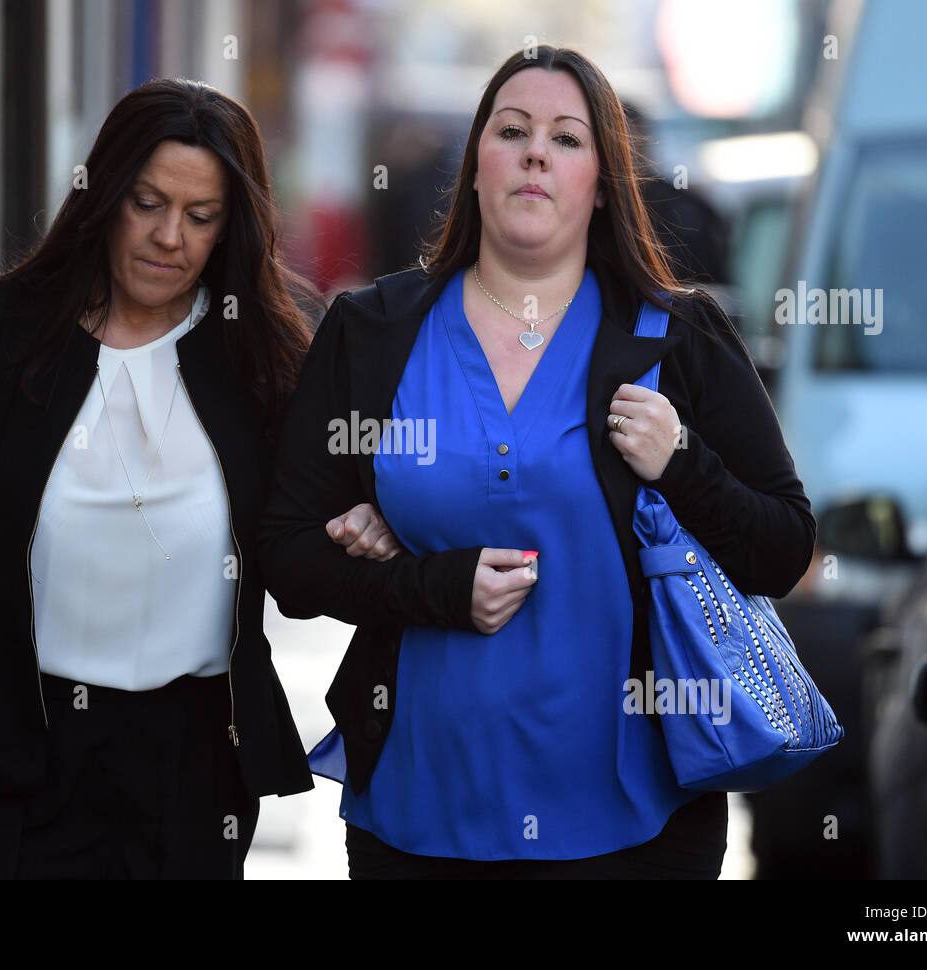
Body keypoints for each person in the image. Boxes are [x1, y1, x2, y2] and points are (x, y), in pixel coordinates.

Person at [258, 46, 816, 879]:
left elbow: (784, 546)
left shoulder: (677, 337)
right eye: (512, 130)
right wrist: (431, 587)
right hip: (419, 819)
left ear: (603, 182)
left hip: (637, 831)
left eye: (567, 139)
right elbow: (289, 561)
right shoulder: (374, 332)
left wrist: (683, 463)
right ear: (475, 166)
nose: (535, 154)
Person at [0, 77, 399, 879]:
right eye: (147, 203)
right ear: (103, 195)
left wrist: (377, 521)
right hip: (18, 751)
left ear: (230, 228)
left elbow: (309, 537)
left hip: (194, 766)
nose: (169, 237)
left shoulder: (265, 360)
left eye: (200, 215)